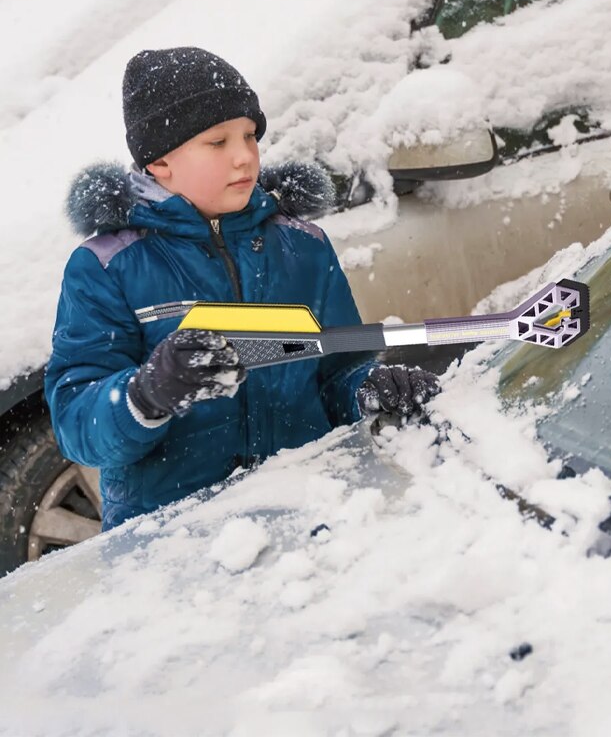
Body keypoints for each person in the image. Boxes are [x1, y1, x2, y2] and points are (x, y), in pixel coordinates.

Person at [45, 46, 439, 531]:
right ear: (159, 162)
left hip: (307, 509)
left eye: (251, 135)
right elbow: (76, 421)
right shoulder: (108, 266)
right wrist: (144, 396)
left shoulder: (303, 246)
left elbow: (337, 370)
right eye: (218, 142)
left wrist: (367, 389)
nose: (245, 156)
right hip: (173, 537)